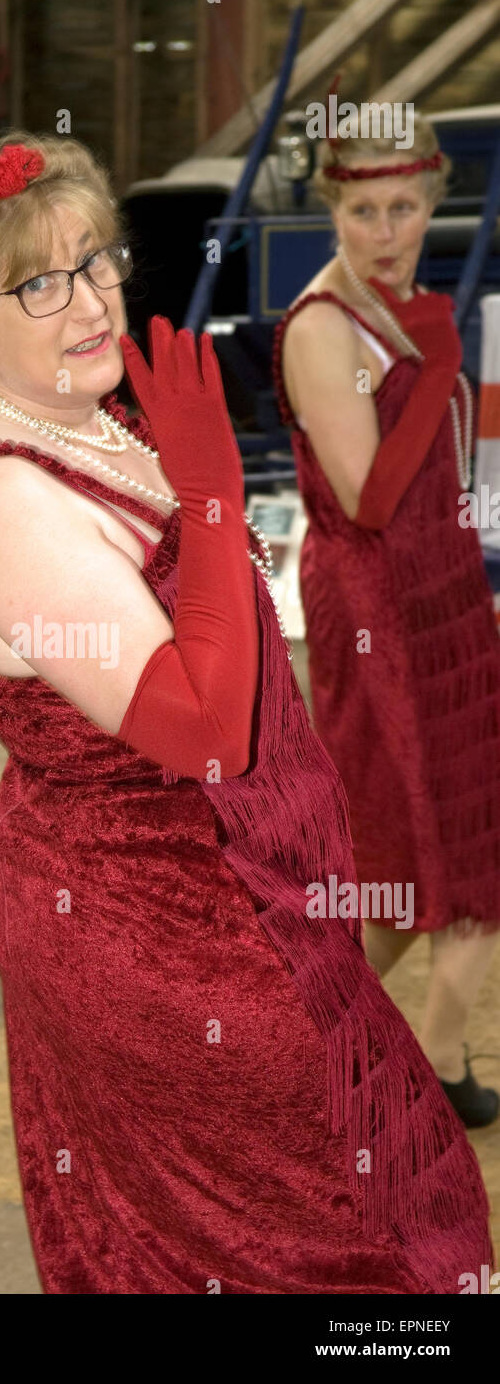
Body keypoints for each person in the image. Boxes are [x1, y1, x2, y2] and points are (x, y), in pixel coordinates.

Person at [0, 131, 491, 1293]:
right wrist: (217, 498)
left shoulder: (62, 409)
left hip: (215, 880)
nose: (89, 301)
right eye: (40, 282)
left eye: (96, 260)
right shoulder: (5, 503)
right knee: (316, 1232)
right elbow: (204, 728)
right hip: (159, 919)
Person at [274, 111, 500, 1127]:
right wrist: (443, 364)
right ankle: (435, 1061)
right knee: (449, 850)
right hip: (376, 610)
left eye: (404, 206)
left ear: (432, 203)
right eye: (362, 209)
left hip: (442, 592)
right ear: (332, 210)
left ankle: (318, 1029)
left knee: (416, 860)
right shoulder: (327, 326)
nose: (385, 229)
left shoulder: (402, 304)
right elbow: (368, 496)